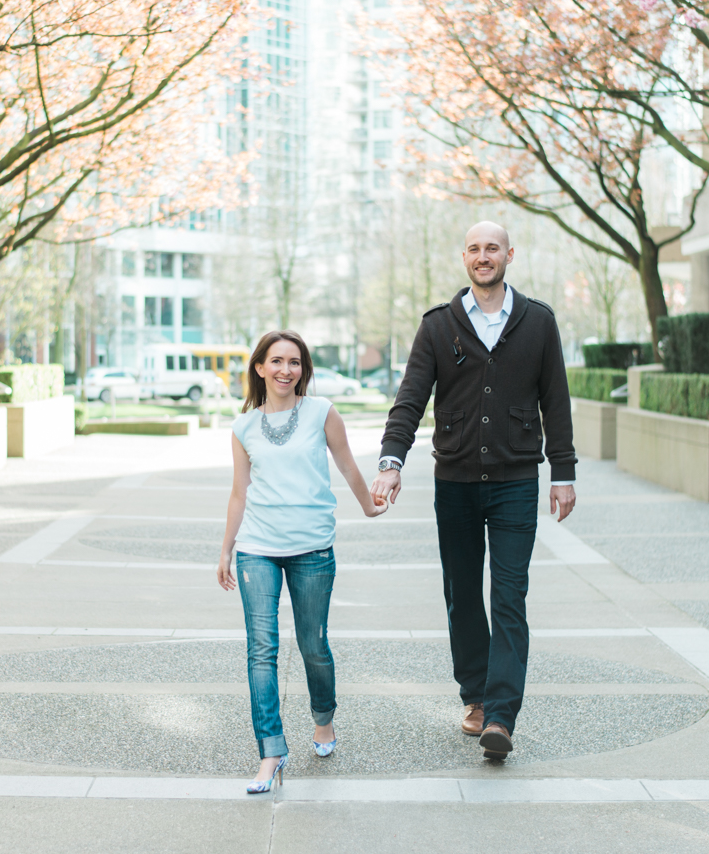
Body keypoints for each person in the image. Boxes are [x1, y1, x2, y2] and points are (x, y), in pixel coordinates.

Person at [371, 221, 577, 761]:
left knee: (509, 597)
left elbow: (556, 401)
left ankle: (501, 718)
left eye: (493, 248)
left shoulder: (538, 322)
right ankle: (476, 696)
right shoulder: (439, 326)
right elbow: (410, 399)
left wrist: (563, 472)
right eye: (475, 249)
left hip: (514, 483)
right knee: (463, 594)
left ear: (510, 255)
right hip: (456, 484)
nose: (484, 257)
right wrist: (391, 462)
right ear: (464, 257)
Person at [217, 329, 386, 794]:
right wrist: (226, 548)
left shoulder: (321, 412)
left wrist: (368, 503)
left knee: (313, 644)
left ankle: (323, 719)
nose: (285, 370)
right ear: (259, 368)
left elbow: (348, 463)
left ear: (303, 369)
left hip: (312, 547)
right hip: (258, 548)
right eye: (276, 361)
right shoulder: (243, 427)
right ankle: (271, 751)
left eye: (294, 362)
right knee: (261, 650)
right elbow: (239, 492)